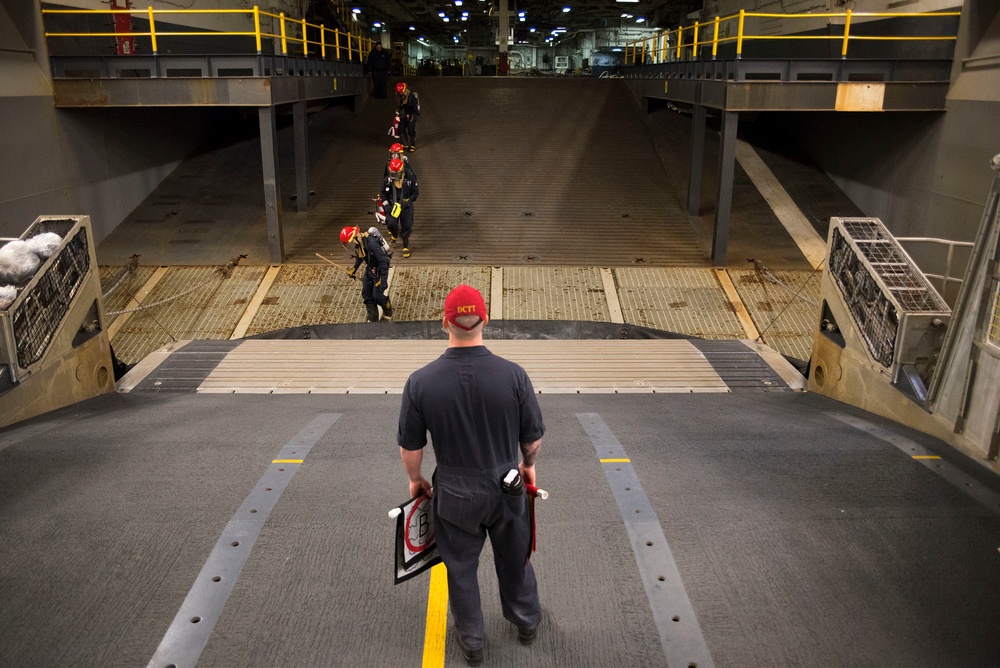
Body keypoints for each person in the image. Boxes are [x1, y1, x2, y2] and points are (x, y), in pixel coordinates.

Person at [397, 284, 544, 666]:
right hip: (507, 485)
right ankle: (525, 621)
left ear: (445, 322)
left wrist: (416, 480)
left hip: (455, 490)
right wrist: (527, 467)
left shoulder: (420, 382)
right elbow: (533, 438)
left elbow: (411, 447)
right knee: (515, 558)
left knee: (461, 568)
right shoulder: (513, 375)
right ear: (486, 321)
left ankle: (473, 642)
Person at [340, 225, 393, 322]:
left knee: (378, 296)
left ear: (355, 238)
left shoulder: (371, 243)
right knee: (367, 294)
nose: (350, 246)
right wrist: (354, 269)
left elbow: (383, 262)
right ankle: (373, 319)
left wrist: (384, 281)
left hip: (379, 270)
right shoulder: (359, 244)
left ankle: (388, 312)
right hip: (370, 269)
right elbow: (360, 256)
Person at [381, 157, 419, 258]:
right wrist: (387, 205)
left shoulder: (410, 178)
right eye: (392, 173)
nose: (393, 176)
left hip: (405, 206)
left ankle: (405, 246)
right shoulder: (387, 180)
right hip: (392, 206)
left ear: (401, 170)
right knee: (391, 223)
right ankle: (394, 235)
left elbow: (415, 192)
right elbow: (383, 194)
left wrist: (409, 200)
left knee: (407, 226)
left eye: (396, 173)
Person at [395, 82, 420, 152]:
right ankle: (404, 143)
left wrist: (411, 115)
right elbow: (401, 105)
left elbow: (414, 108)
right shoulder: (402, 96)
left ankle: (412, 144)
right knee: (401, 127)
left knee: (410, 129)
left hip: (412, 115)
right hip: (405, 114)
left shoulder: (411, 97)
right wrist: (398, 110)